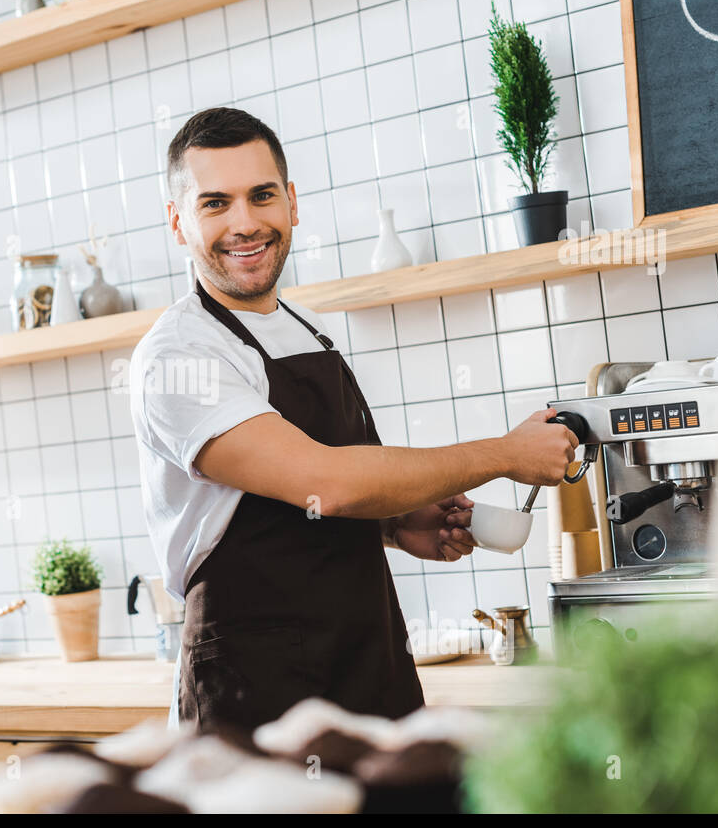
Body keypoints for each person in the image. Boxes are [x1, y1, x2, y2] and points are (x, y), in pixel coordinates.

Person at [129, 108, 578, 733]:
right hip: (256, 692)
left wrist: (394, 524)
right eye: (215, 204)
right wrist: (506, 453)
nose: (245, 223)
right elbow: (328, 484)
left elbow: (320, 501)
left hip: (369, 665)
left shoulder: (305, 327)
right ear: (179, 222)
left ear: (290, 202)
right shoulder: (179, 356)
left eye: (261, 196)